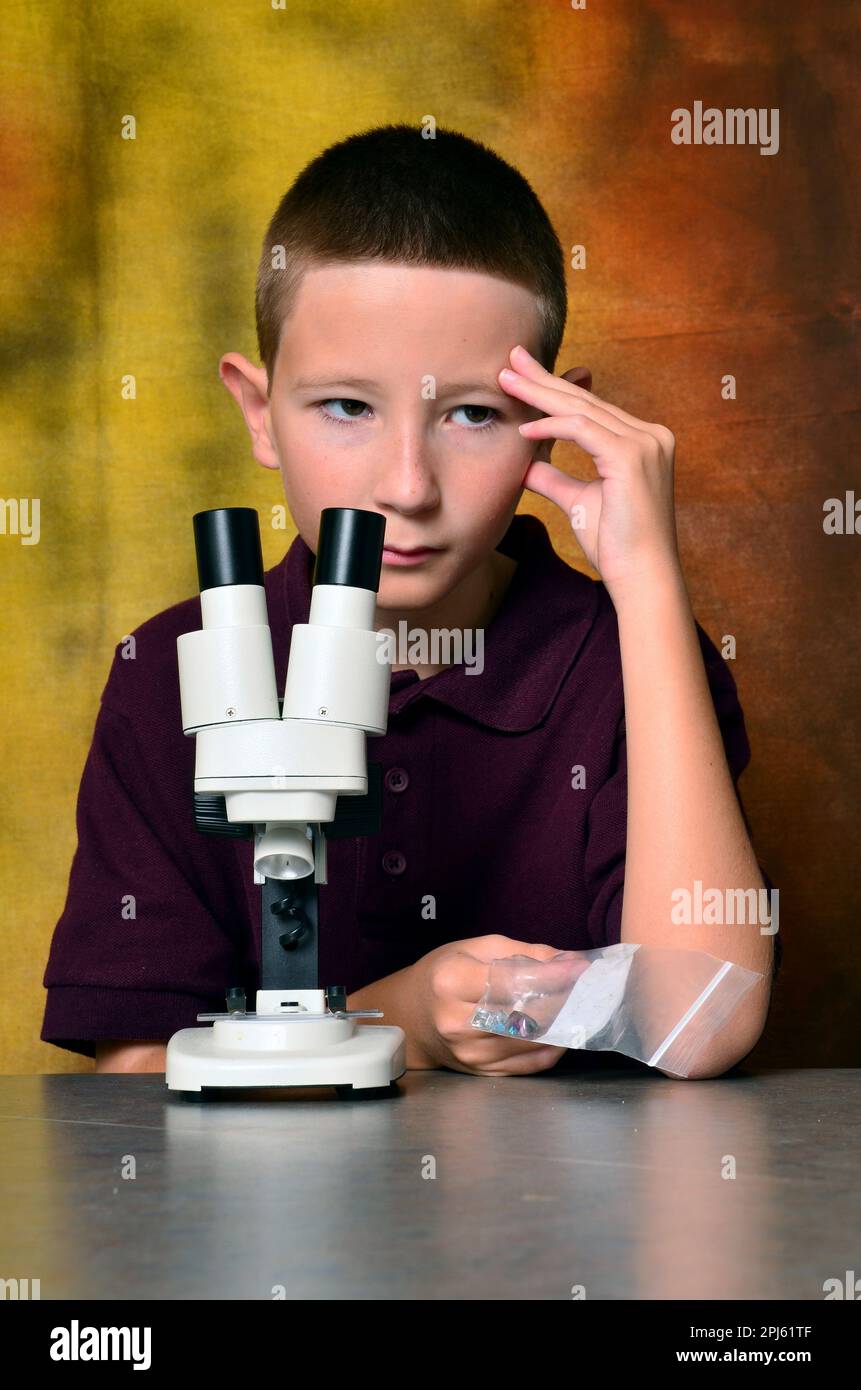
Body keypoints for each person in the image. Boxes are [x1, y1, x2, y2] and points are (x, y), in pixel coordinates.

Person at [41, 124, 779, 1080]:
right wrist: (401, 1022)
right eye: (347, 407)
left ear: (553, 424)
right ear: (259, 414)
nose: (405, 485)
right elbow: (136, 1072)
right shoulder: (168, 669)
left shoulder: (628, 660)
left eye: (472, 413)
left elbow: (702, 1021)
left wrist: (645, 583)